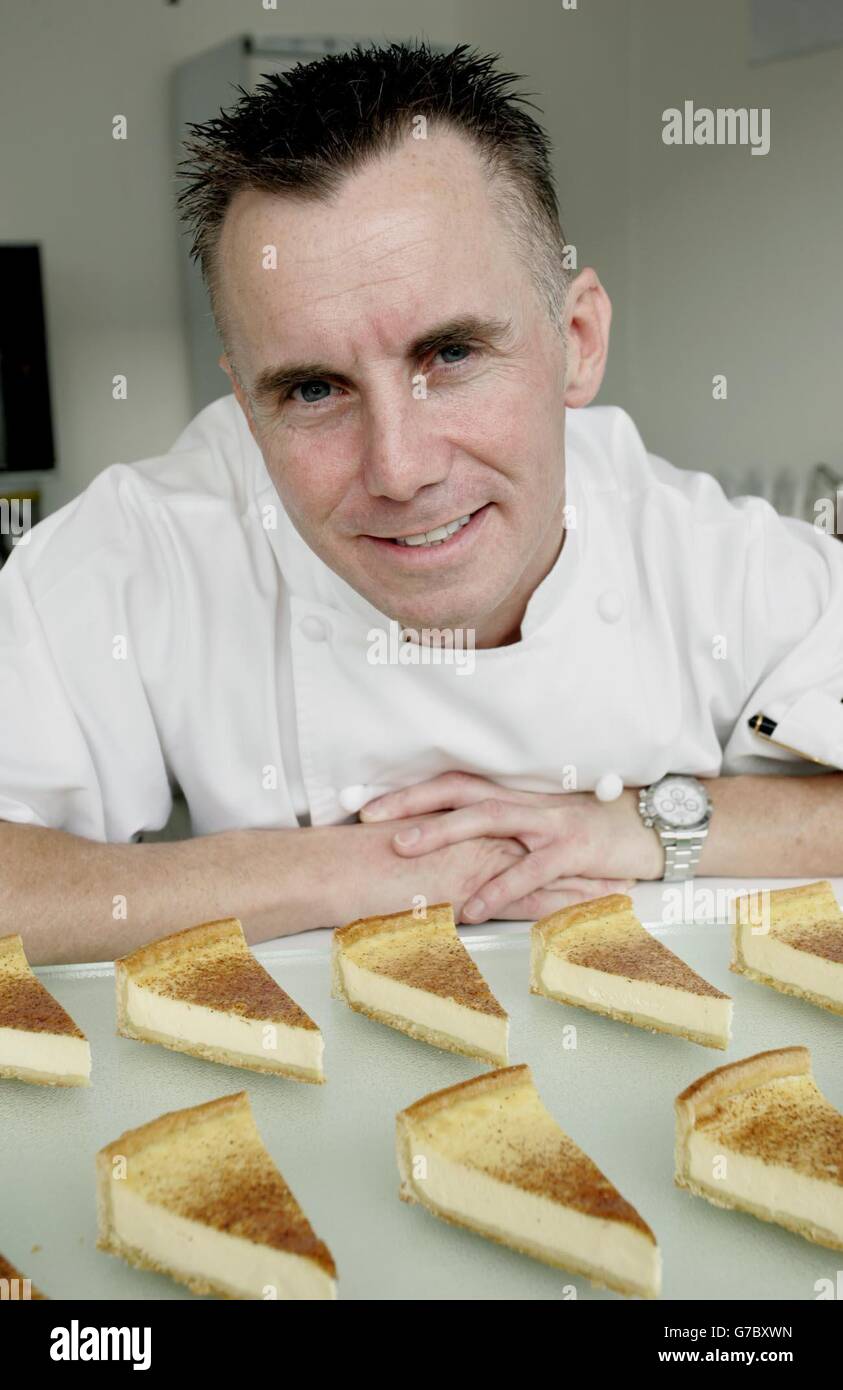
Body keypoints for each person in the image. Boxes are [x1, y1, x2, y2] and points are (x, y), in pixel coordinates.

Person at [2, 41, 842, 964]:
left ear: (576, 340)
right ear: (247, 407)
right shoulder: (148, 547)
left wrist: (641, 824)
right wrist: (344, 872)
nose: (398, 470)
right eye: (313, 390)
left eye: (450, 355)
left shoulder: (702, 552)